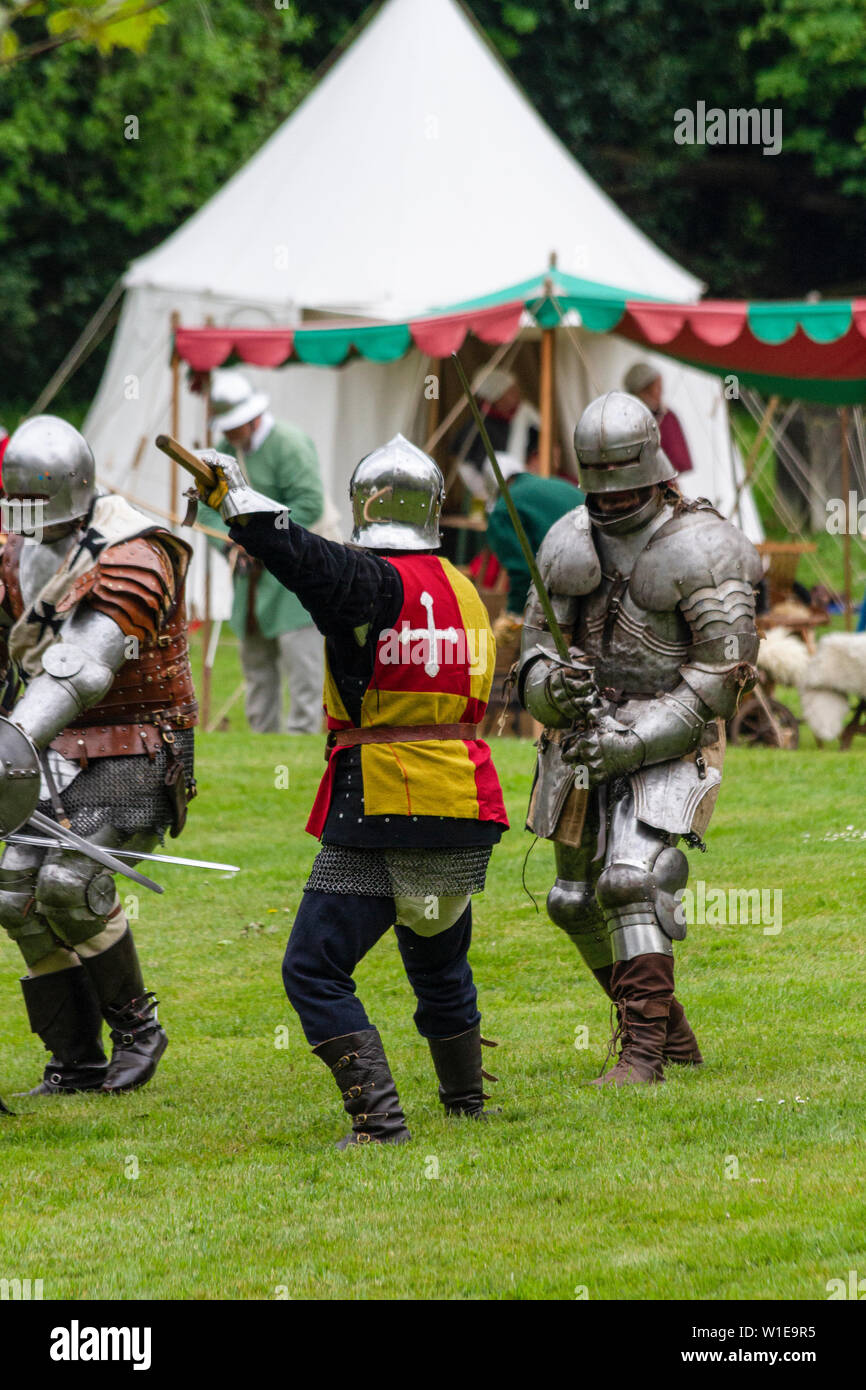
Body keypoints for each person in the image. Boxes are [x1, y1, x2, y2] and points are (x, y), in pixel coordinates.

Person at [193, 434, 509, 1146]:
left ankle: (379, 1121)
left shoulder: (375, 583)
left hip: (389, 801)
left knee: (313, 967)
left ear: (366, 508)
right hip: (463, 801)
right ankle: (464, 1100)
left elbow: (307, 560)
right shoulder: (462, 590)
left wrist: (239, 502)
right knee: (437, 952)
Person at [517, 391, 761, 1085]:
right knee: (570, 900)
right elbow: (533, 653)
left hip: (672, 731)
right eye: (602, 487)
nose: (614, 502)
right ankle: (664, 1028)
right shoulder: (567, 537)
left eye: (625, 486)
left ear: (652, 470)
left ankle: (642, 1056)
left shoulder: (704, 546)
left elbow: (723, 675)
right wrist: (551, 690)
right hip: (582, 733)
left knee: (630, 879)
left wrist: (636, 741)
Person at [0, 415, 197, 1094]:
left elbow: (83, 666)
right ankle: (74, 1057)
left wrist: (13, 741)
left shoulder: (134, 549)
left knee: (69, 882)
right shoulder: (17, 549)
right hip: (51, 747)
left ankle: (139, 1030)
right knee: (10, 887)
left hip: (140, 746)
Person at [201, 369, 328, 735]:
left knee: (301, 661)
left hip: (297, 565)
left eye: (233, 425)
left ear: (253, 418)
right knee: (256, 664)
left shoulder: (289, 444)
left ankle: (302, 741)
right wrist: (229, 540)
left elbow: (309, 503)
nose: (227, 433)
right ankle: (263, 739)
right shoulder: (226, 452)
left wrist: (261, 538)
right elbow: (210, 505)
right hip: (249, 571)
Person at [484, 457, 584, 614]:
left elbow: (522, 572)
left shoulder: (503, 509)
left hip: (570, 588)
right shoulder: (556, 485)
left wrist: (513, 616)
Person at [623, 362, 694, 476]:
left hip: (664, 486)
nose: (661, 392)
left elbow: (679, 462)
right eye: (657, 387)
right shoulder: (623, 419)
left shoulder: (667, 417)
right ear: (643, 390)